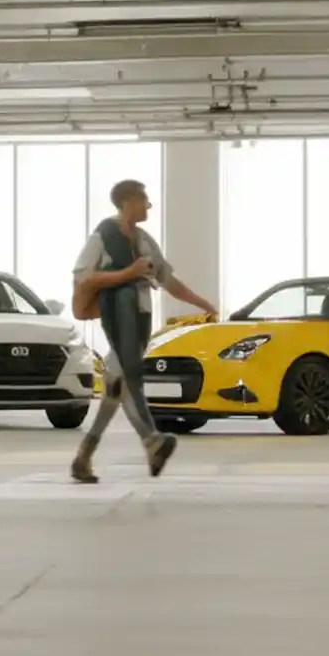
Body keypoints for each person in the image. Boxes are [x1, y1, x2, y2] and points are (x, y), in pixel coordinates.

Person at [69, 179, 218, 483]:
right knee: (130, 374)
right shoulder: (103, 236)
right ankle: (151, 440)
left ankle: (83, 457)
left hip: (140, 317)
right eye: (143, 200)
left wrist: (203, 303)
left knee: (115, 385)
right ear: (127, 202)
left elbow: (168, 281)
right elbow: (84, 277)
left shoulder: (146, 241)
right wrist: (127, 273)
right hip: (117, 315)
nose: (148, 206)